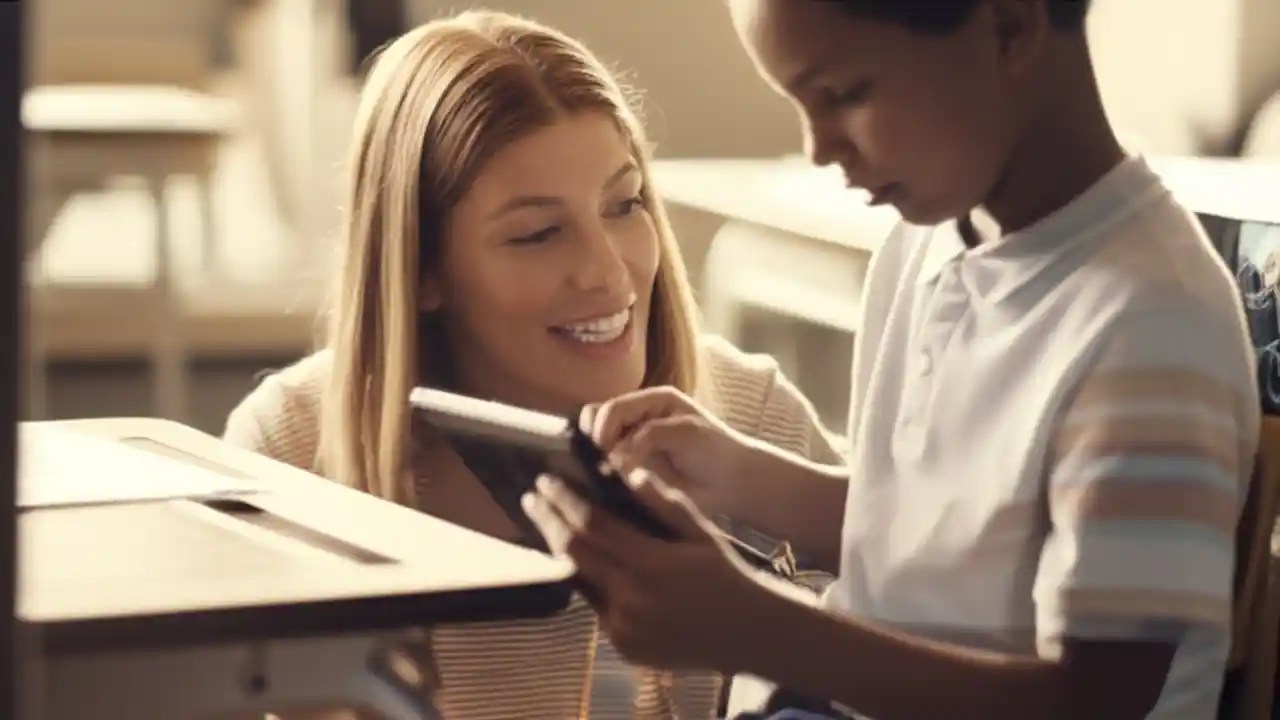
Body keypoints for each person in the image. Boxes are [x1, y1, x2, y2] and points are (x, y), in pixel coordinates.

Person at [523, 1, 1261, 718]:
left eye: (843, 95)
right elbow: (945, 534)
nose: (818, 148)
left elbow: (1094, 699)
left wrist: (756, 628)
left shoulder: (1150, 319)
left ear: (1008, 25)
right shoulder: (926, 237)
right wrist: (738, 475)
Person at [223, 9, 843, 720]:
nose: (608, 273)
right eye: (538, 234)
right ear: (423, 268)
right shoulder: (289, 456)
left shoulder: (753, 421)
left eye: (624, 204)